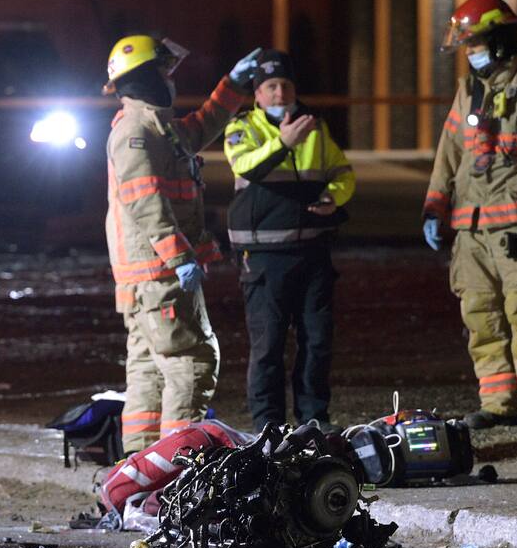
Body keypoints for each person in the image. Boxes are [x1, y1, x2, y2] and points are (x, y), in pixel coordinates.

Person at [422, 0, 517, 433]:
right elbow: (449, 153)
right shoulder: (469, 91)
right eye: (467, 46)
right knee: (480, 317)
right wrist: (434, 204)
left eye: (477, 43)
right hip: (471, 234)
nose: (470, 53)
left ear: (502, 40)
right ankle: (498, 402)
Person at [103, 34, 261, 452]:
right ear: (142, 78)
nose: (169, 80)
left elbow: (202, 126)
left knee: (149, 372)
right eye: (162, 72)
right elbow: (145, 200)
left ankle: (138, 473)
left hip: (148, 278)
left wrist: (232, 86)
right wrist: (179, 257)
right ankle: (178, 467)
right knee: (192, 363)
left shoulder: (157, 127)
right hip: (160, 274)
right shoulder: (136, 132)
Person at [222, 50, 356, 432]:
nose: (280, 92)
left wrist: (334, 197)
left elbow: (342, 171)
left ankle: (314, 419)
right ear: (257, 95)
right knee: (268, 346)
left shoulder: (314, 126)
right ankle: (269, 426)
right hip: (265, 255)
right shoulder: (242, 127)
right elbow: (245, 165)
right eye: (270, 86)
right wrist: (283, 141)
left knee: (317, 341)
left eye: (286, 84)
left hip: (313, 250)